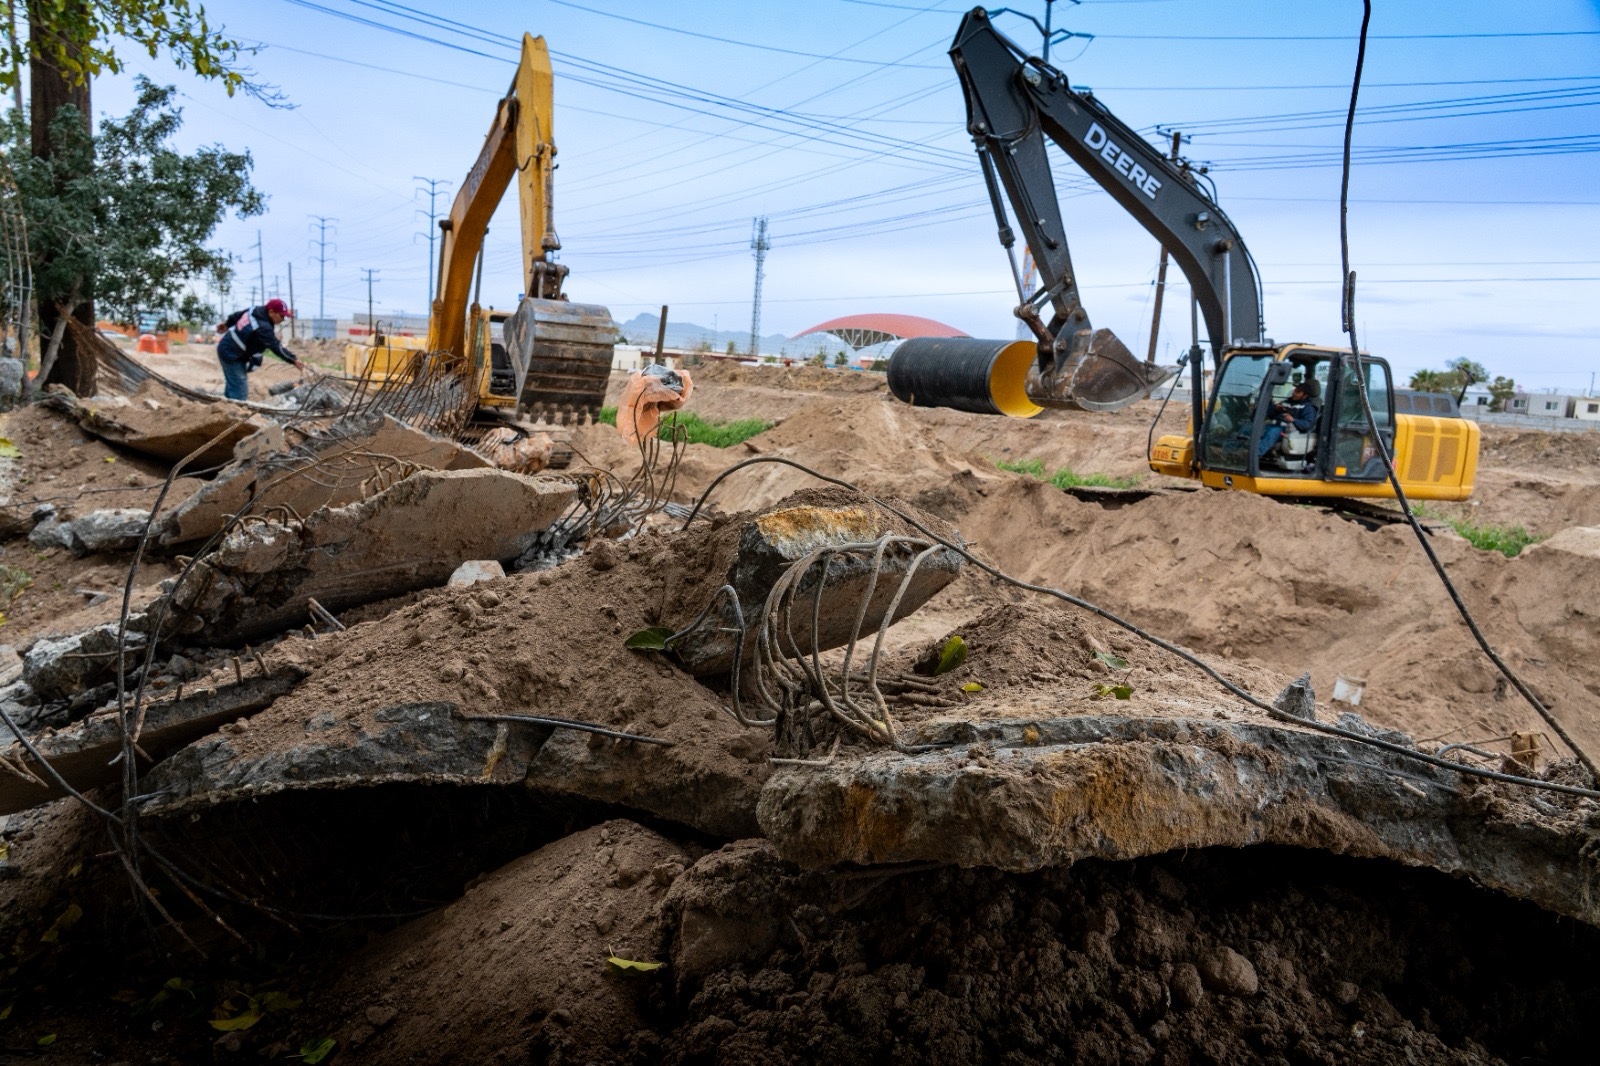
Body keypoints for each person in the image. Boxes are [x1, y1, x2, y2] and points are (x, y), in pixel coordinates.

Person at [215, 298, 305, 401]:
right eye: (281, 315)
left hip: (231, 349)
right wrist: (293, 360)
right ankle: (234, 413)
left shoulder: (255, 310)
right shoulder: (263, 327)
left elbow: (236, 315)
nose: (283, 319)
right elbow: (276, 347)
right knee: (239, 390)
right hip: (231, 354)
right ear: (271, 312)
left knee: (234, 384)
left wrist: (227, 324)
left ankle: (226, 406)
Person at [1258, 377, 1320, 459]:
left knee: (1273, 432)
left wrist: (1293, 420)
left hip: (1289, 431)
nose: (1294, 393)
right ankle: (1237, 453)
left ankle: (1255, 455)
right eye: (1294, 390)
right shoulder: (1287, 401)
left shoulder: (1308, 408)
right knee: (1249, 429)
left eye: (1298, 392)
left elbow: (1308, 424)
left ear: (1305, 395)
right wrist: (1276, 409)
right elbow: (1270, 415)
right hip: (1272, 425)